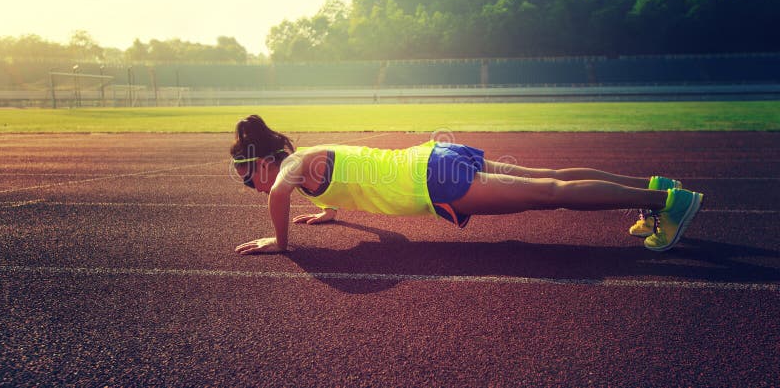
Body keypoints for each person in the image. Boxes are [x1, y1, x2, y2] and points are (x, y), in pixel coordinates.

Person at [230, 115, 703, 255]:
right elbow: (342, 182)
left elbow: (278, 194)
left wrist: (282, 240)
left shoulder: (291, 170)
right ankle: (654, 188)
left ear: (267, 160)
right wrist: (330, 213)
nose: (250, 184)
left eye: (247, 174)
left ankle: (667, 202)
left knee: (549, 195)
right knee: (550, 180)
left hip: (434, 179)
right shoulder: (310, 163)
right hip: (434, 159)